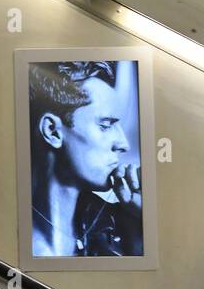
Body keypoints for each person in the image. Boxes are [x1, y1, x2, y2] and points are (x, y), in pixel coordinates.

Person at [28, 60, 143, 258]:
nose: (123, 143)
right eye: (105, 126)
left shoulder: (124, 228)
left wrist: (141, 220)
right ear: (52, 131)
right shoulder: (3, 234)